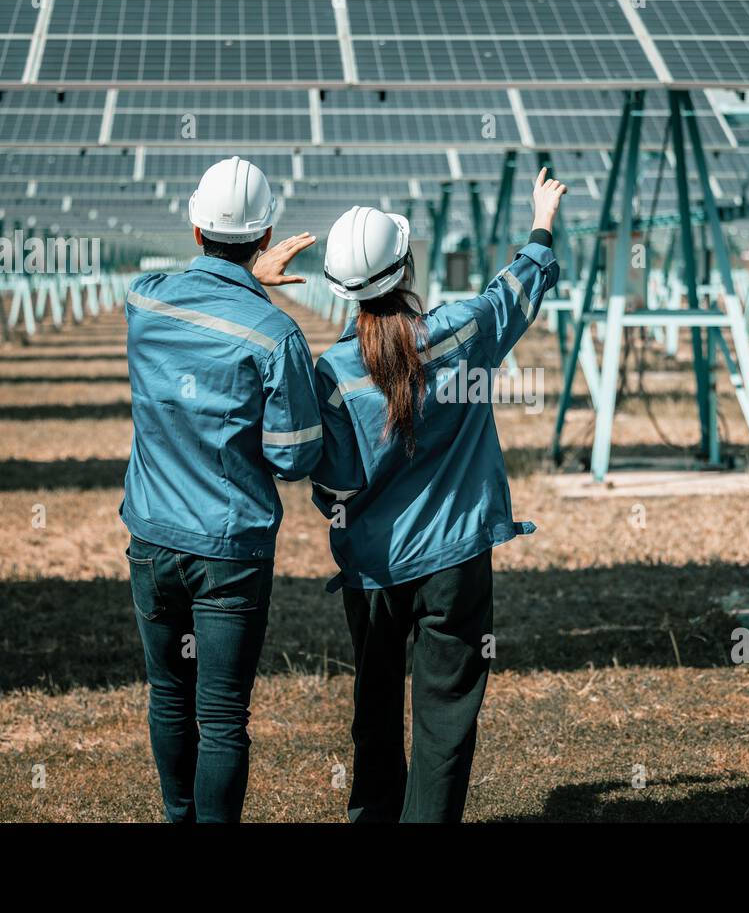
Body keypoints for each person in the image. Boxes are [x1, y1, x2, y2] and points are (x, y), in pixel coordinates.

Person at [311, 167, 567, 822]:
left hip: (372, 573)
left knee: (373, 717)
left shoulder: (333, 373)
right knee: (445, 724)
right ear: (408, 267)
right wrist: (541, 219)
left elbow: (332, 486)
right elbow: (518, 288)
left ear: (341, 290)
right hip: (455, 566)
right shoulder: (463, 332)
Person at [120, 156, 318, 823]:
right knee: (224, 715)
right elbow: (292, 459)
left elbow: (192, 293)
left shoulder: (142, 301)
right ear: (265, 239)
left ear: (195, 230)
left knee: (167, 694)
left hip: (151, 537)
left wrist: (240, 276)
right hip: (230, 550)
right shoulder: (276, 335)